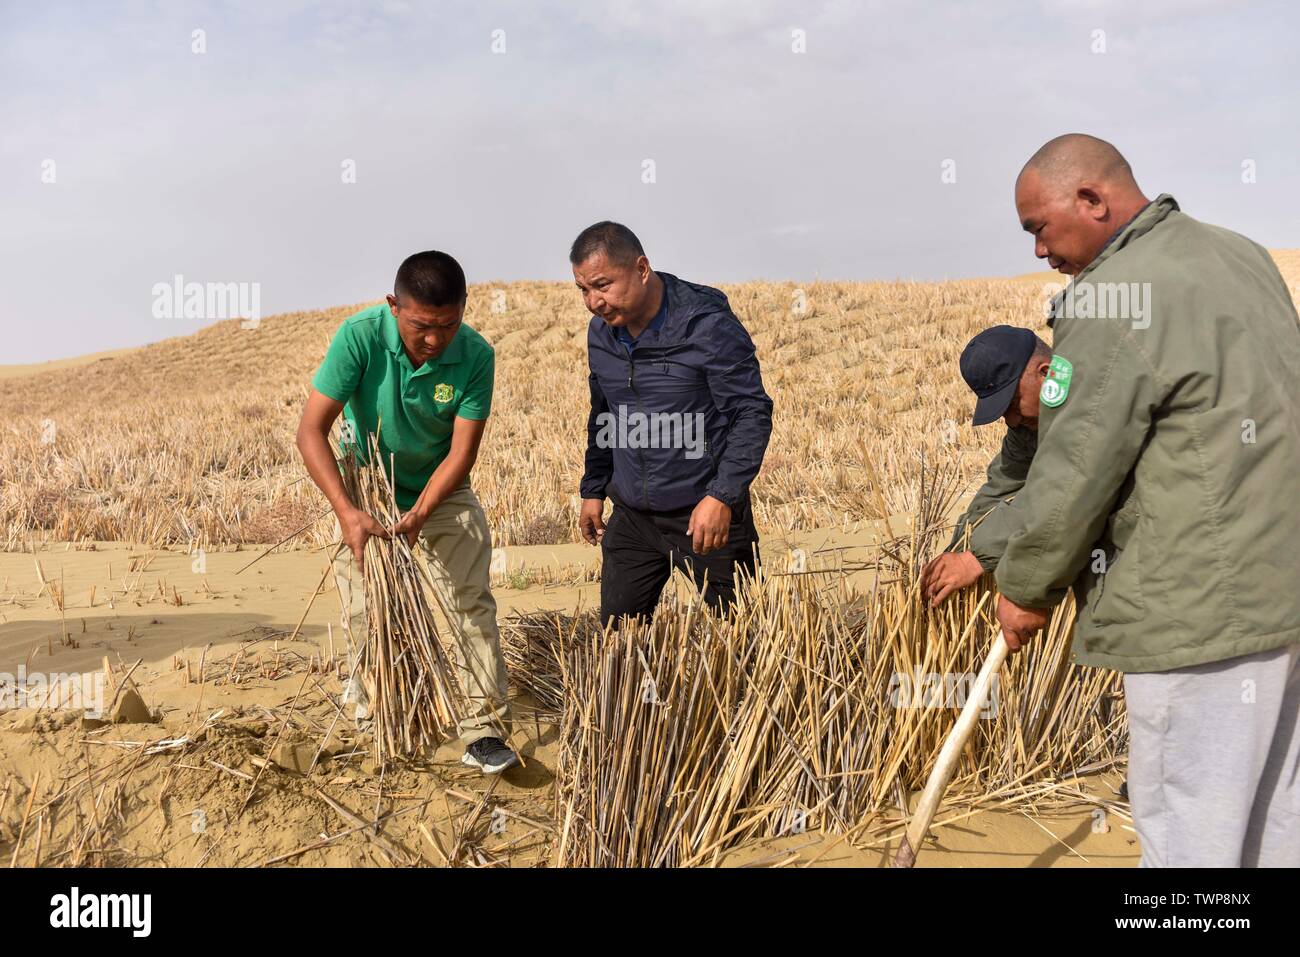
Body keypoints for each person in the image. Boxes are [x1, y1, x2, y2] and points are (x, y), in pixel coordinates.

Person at [993, 133, 1300, 866]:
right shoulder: (1243, 256)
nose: (1040, 251)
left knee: (1191, 823)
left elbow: (1075, 467)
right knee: (1275, 812)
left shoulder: (1109, 299)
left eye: (1039, 228)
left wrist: (1026, 583)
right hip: (1281, 593)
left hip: (1191, 611)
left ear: (1092, 201)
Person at [295, 250, 517, 775]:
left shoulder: (477, 355)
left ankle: (483, 729)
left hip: (440, 487)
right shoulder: (361, 336)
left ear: (463, 310)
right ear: (394, 306)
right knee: (365, 609)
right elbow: (310, 432)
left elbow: (462, 453)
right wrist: (348, 512)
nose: (435, 340)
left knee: (470, 602)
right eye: (421, 326)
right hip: (367, 486)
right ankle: (378, 715)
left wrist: (421, 512)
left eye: (448, 325)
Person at [572, 222, 774, 627]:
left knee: (746, 636)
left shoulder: (707, 326)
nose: (594, 301)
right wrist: (594, 488)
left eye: (602, 285)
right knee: (620, 643)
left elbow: (751, 412)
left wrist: (722, 496)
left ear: (642, 268)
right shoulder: (602, 335)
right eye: (583, 290)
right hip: (632, 516)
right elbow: (604, 413)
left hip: (705, 514)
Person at [920, 326, 1050, 607]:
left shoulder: (1094, 407)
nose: (1013, 421)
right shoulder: (1029, 424)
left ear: (1045, 372)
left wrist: (974, 559)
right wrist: (957, 549)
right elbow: (1001, 486)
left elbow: (1061, 492)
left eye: (1014, 404)